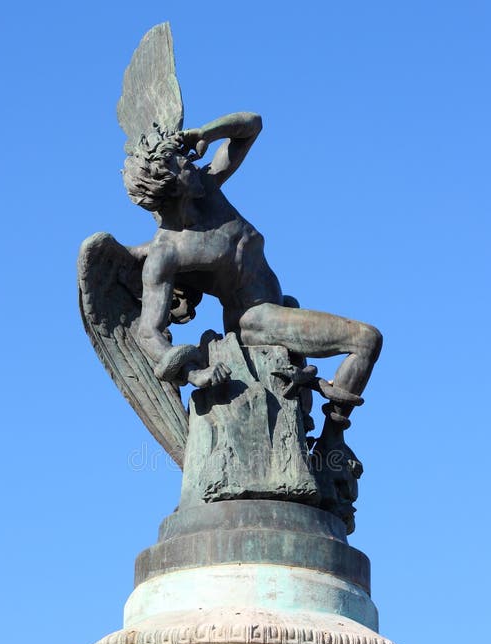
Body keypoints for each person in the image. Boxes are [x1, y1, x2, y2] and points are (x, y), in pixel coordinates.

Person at [123, 112, 381, 426]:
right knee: (365, 339)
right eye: (184, 164)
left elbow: (252, 126)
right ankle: (333, 438)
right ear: (173, 184)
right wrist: (193, 373)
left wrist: (206, 132)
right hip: (254, 319)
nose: (192, 164)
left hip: (279, 306)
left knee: (314, 391)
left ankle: (324, 435)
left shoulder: (207, 190)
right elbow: (148, 332)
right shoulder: (167, 252)